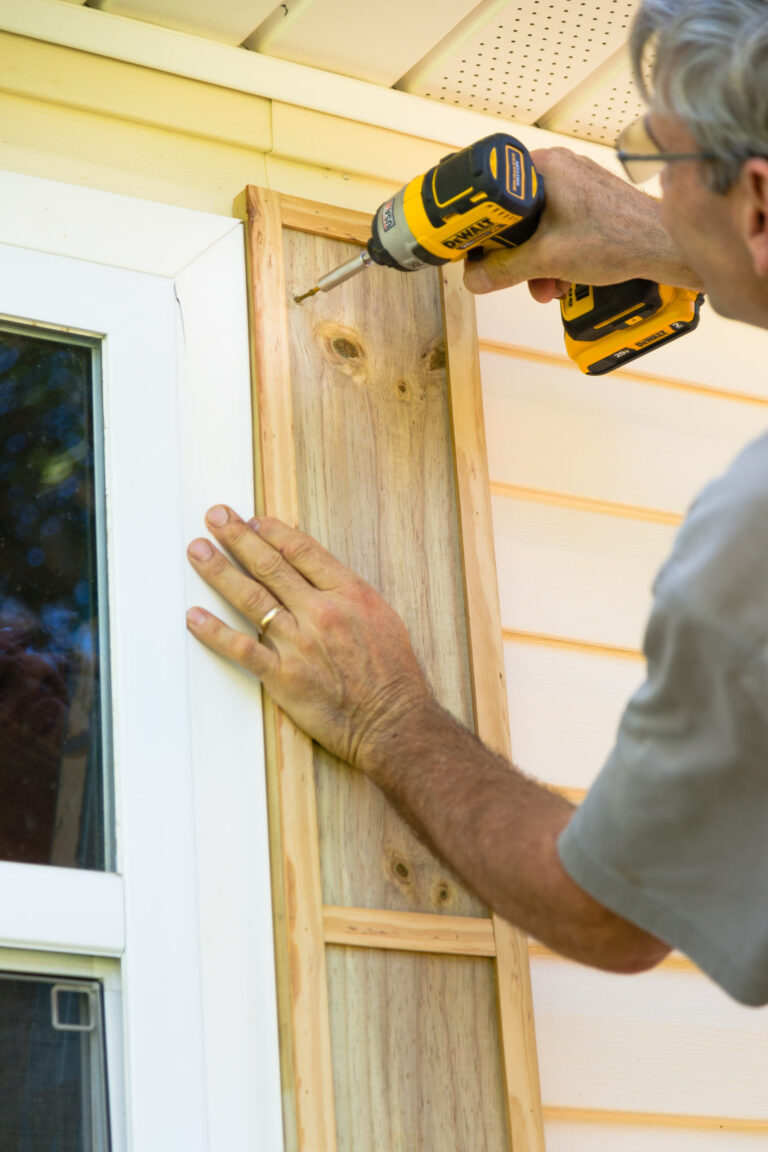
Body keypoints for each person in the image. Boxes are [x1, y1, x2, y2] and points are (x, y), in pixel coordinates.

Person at [186, 0, 768, 1006]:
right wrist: (667, 240)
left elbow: (607, 911)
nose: (656, 190)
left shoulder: (749, 538)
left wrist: (388, 713)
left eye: (659, 162)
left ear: (755, 201)